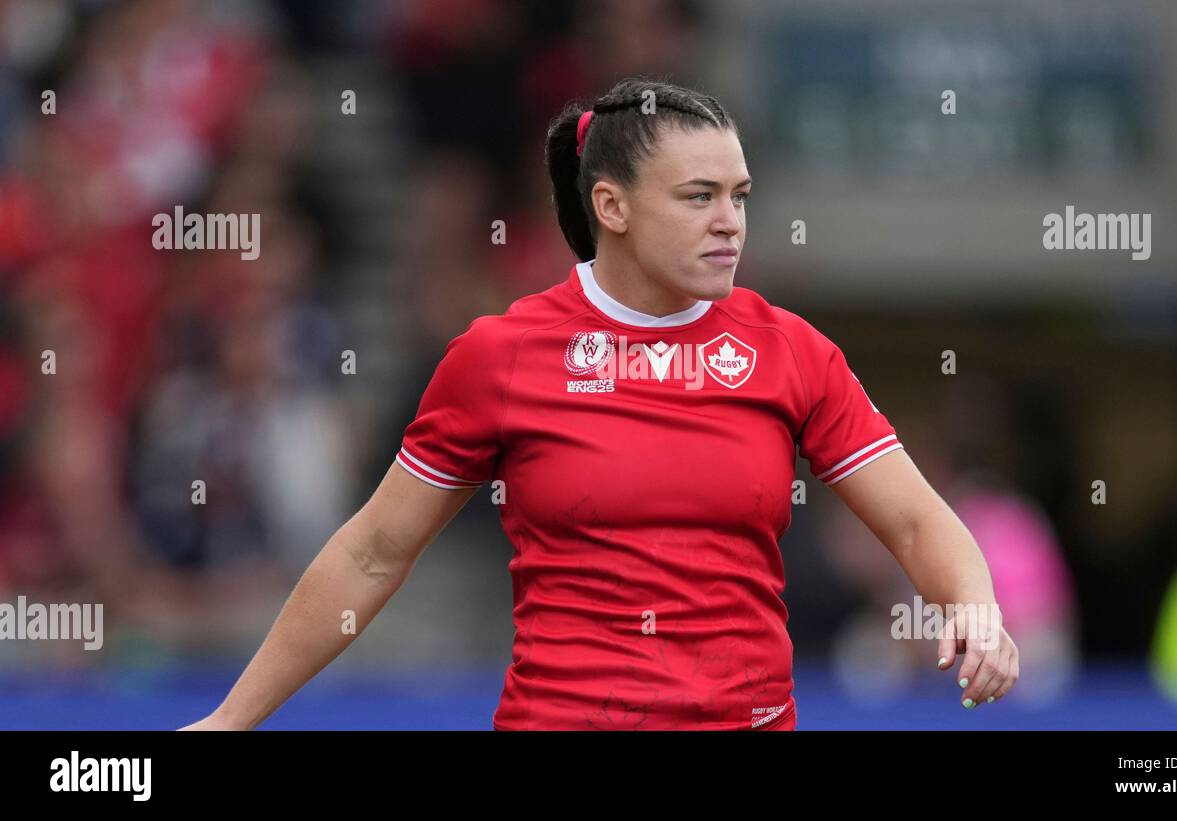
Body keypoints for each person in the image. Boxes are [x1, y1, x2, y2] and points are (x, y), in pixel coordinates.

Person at [181, 77, 1018, 731]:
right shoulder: (501, 356)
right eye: (698, 196)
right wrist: (229, 720)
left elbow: (917, 519)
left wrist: (976, 612)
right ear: (612, 206)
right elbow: (373, 553)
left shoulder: (791, 352)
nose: (730, 222)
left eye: (740, 196)